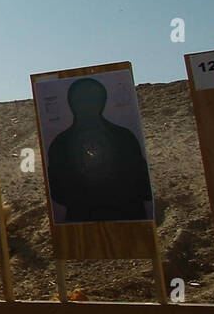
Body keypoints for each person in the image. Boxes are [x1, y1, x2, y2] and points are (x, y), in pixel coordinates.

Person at [46, 77, 153, 222]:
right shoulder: (61, 143)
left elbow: (144, 188)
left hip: (123, 220)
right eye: (84, 100)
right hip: (87, 223)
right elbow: (59, 194)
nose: (88, 106)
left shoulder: (124, 137)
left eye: (91, 99)